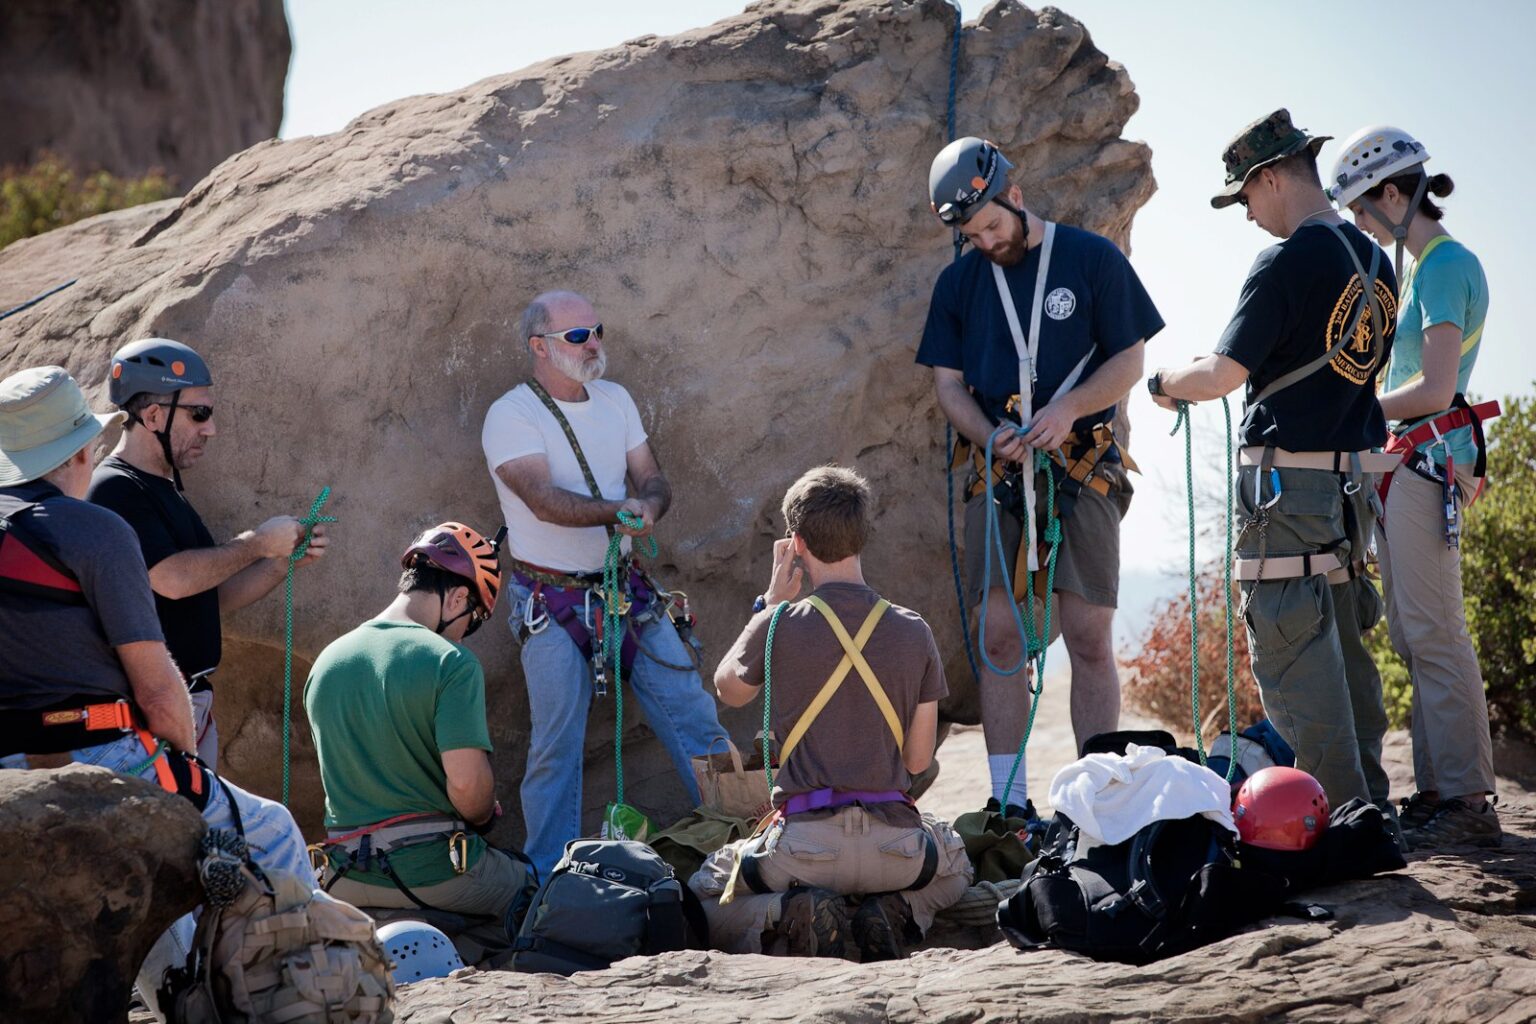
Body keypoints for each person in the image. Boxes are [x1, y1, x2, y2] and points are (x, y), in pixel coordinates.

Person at [0, 366, 313, 1007]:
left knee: (141, 881)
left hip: (7, 760)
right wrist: (183, 777)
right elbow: (159, 690)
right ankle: (305, 1000)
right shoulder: (94, 528)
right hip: (99, 752)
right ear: (81, 452)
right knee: (274, 830)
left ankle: (179, 996)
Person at [1148, 109, 1400, 830]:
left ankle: (1346, 821)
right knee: (1345, 652)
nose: (1248, 215)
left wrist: (1164, 381)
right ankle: (1371, 807)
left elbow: (1223, 374)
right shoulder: (1376, 263)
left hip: (1285, 493)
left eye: (1246, 197)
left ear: (1271, 178)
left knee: (1296, 658)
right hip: (1349, 490)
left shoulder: (1284, 262)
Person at [916, 137, 1164, 817]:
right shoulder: (959, 283)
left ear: (1016, 196)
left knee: (1087, 635)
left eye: (992, 226)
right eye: (972, 236)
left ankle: (1097, 797)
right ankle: (1009, 803)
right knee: (998, 637)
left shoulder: (1090, 258)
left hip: (1082, 467)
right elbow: (948, 385)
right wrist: (986, 433)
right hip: (998, 470)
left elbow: (1130, 360)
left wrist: (1070, 408)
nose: (986, 242)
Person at [480, 290, 724, 875]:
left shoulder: (616, 399)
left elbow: (652, 478)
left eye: (597, 331)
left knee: (694, 716)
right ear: (540, 347)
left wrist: (649, 509)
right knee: (555, 748)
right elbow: (543, 501)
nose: (593, 344)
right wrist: (621, 511)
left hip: (626, 591)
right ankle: (549, 883)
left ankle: (741, 847)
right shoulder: (512, 415)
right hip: (550, 598)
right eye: (576, 336)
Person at [688, 465, 972, 961]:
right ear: (863, 535)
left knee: (704, 893)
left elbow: (727, 688)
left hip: (802, 850)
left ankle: (789, 912)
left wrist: (769, 602)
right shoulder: (914, 630)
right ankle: (897, 910)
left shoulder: (777, 623)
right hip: (896, 849)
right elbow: (918, 760)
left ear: (795, 544)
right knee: (959, 870)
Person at [1329, 126, 1500, 848]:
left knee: (1434, 631)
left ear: (1394, 196)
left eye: (1363, 210)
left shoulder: (1444, 267)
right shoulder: (1427, 269)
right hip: (1413, 464)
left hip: (1427, 463)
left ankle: (1466, 798)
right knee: (1413, 630)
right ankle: (1440, 790)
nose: (1362, 225)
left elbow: (1433, 388)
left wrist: (1352, 410)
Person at [87, 338, 328, 767]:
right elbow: (173, 579)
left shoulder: (164, 490)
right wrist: (256, 542)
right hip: (148, 711)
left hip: (185, 704)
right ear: (153, 416)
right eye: (198, 414)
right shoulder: (115, 488)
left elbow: (209, 598)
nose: (210, 428)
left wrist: (280, 563)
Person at [305, 521, 535, 965]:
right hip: (431, 871)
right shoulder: (451, 662)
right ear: (458, 597)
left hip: (342, 878)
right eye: (472, 620)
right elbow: (467, 788)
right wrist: (483, 813)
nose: (464, 633)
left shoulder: (326, 662)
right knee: (532, 892)